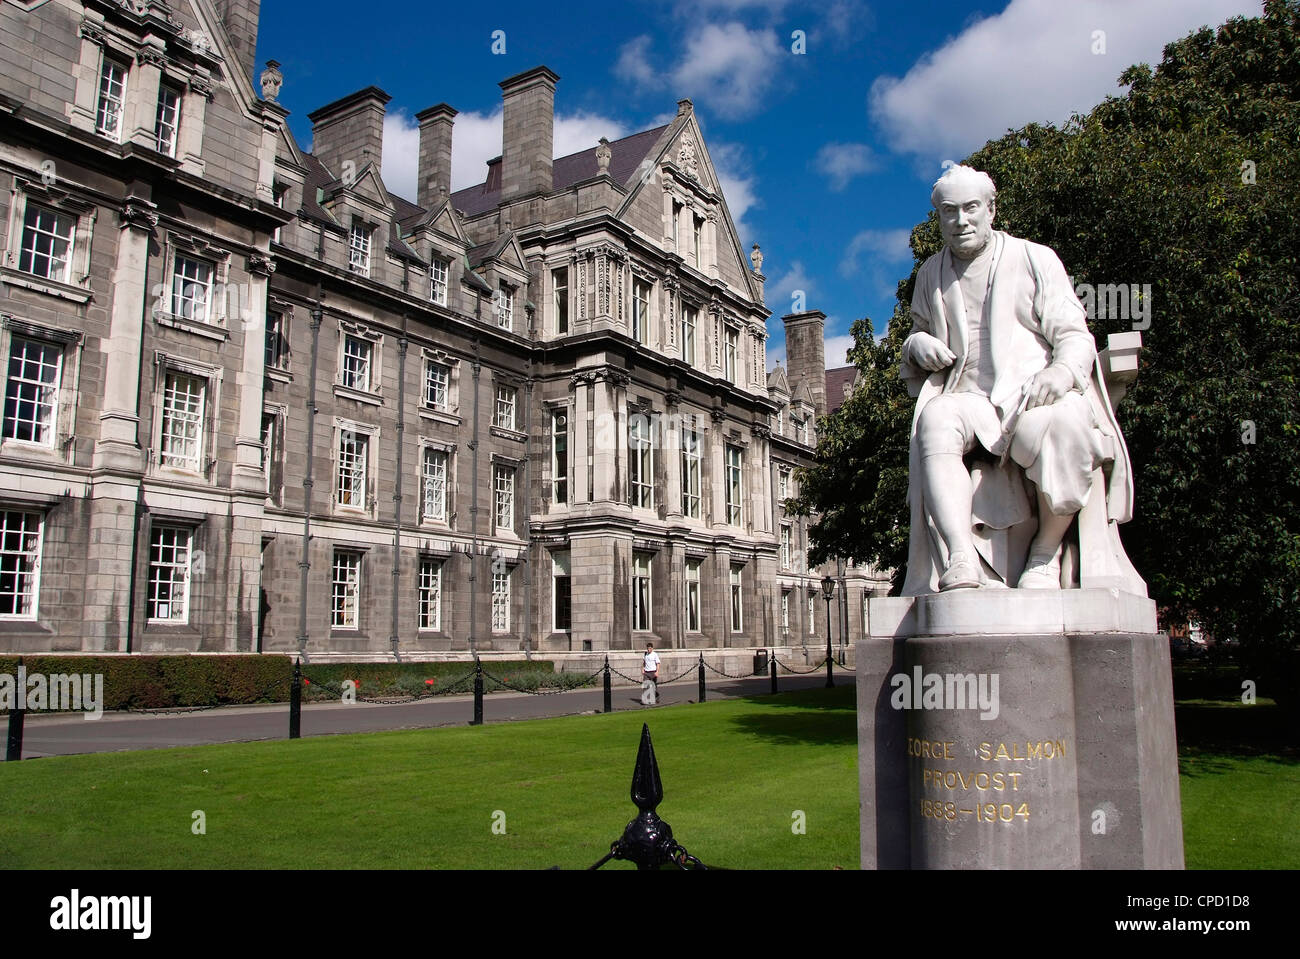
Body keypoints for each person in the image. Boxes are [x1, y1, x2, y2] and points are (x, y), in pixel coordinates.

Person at [899, 165, 1134, 595]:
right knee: (934, 421)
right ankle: (960, 558)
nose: (961, 220)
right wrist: (917, 345)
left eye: (971, 208)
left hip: (1033, 391)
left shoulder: (1034, 258)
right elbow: (916, 332)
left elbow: (1073, 334)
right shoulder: (931, 273)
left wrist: (1062, 372)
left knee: (1065, 426)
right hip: (968, 396)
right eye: (949, 212)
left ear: (991, 209)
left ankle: (1045, 551)